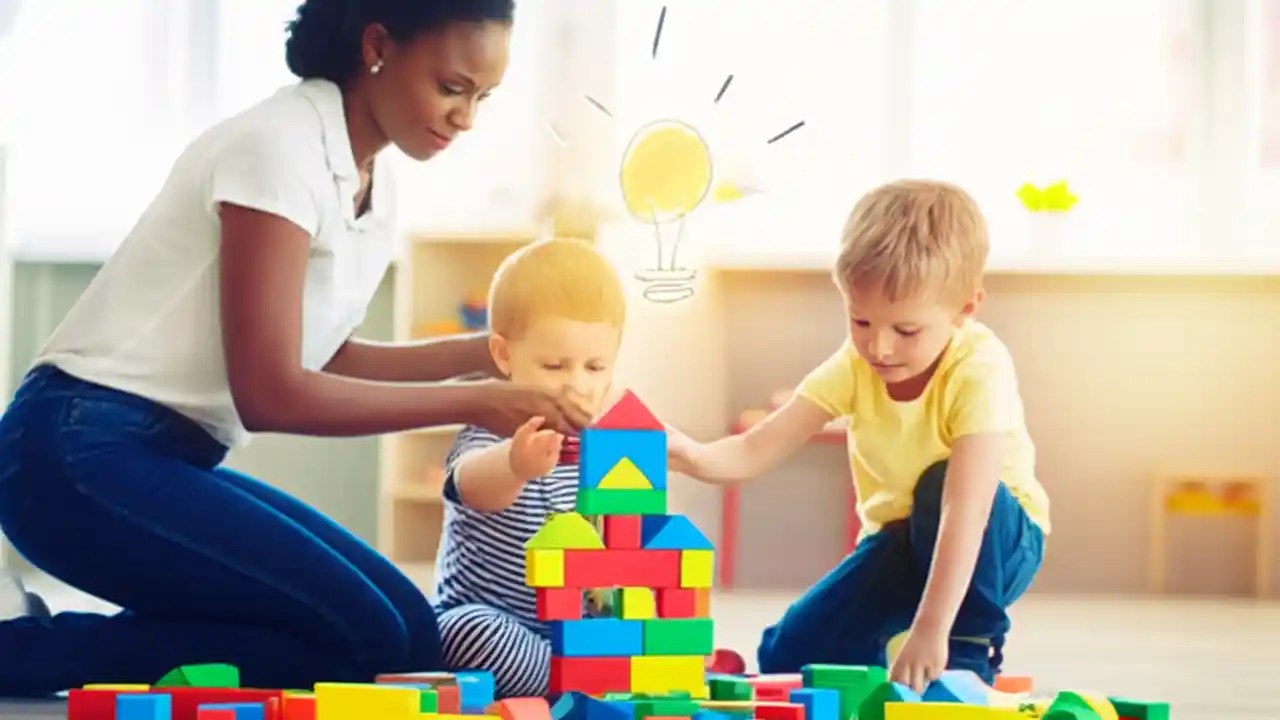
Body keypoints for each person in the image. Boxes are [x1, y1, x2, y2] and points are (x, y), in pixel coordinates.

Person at [0, 0, 593, 696]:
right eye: (452, 87)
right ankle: (27, 652)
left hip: (158, 456)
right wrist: (480, 399)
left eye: (482, 98)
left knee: (405, 632)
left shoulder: (373, 179)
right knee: (361, 640)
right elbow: (272, 391)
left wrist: (496, 354)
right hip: (72, 456)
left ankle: (76, 641)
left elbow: (330, 355)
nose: (465, 117)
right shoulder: (280, 147)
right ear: (378, 46)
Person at [667, 180, 1050, 693]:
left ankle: (968, 650)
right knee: (786, 654)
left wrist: (933, 630)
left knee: (942, 484)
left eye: (906, 331)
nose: (880, 347)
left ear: (965, 308)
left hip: (998, 540)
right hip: (900, 543)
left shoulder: (980, 366)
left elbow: (967, 508)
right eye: (860, 321)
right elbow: (753, 450)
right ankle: (887, 667)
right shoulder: (854, 364)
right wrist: (679, 450)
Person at [430, 238, 626, 698]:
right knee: (465, 632)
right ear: (504, 355)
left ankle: (595, 681)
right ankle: (573, 689)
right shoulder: (491, 430)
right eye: (554, 365)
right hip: (501, 622)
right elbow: (470, 485)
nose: (577, 384)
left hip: (577, 629)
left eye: (596, 367)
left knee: (650, 620)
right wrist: (515, 465)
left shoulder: (604, 449)